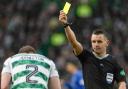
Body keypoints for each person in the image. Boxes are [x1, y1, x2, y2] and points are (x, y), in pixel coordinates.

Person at [59, 10, 126, 89]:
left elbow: (122, 82)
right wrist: (66, 26)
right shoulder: (86, 56)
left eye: (99, 41)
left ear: (107, 43)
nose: (96, 44)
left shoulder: (113, 62)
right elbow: (74, 42)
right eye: (94, 41)